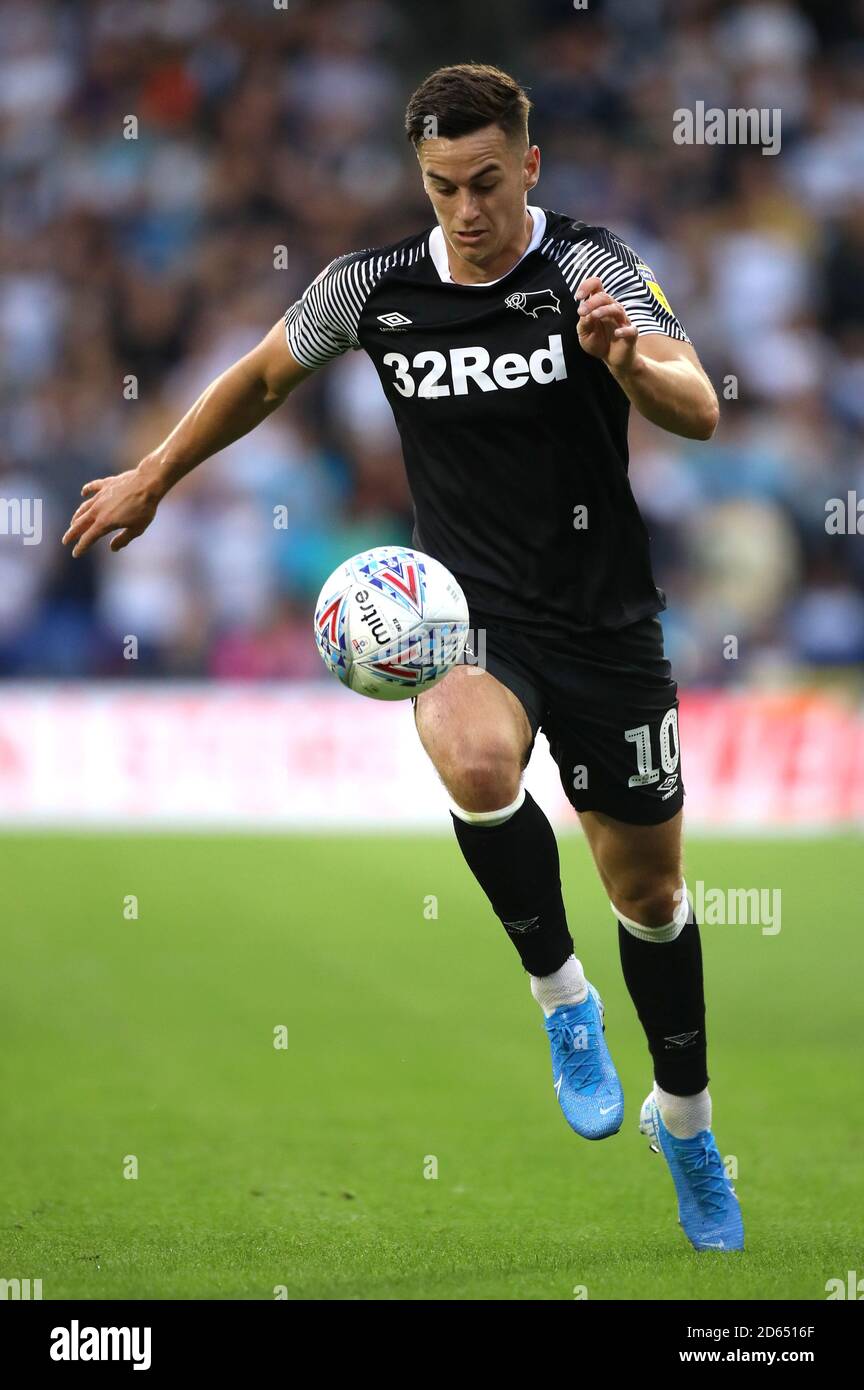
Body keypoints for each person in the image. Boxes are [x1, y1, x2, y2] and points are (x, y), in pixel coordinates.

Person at [62, 62, 742, 1252]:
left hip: (608, 628)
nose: (467, 211)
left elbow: (699, 404)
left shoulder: (590, 269)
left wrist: (628, 359)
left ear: (529, 165)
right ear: (420, 180)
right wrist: (155, 473)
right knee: (477, 764)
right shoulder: (370, 290)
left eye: (487, 182)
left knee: (651, 896)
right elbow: (264, 373)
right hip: (466, 619)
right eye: (442, 188)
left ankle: (685, 1122)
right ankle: (561, 1001)